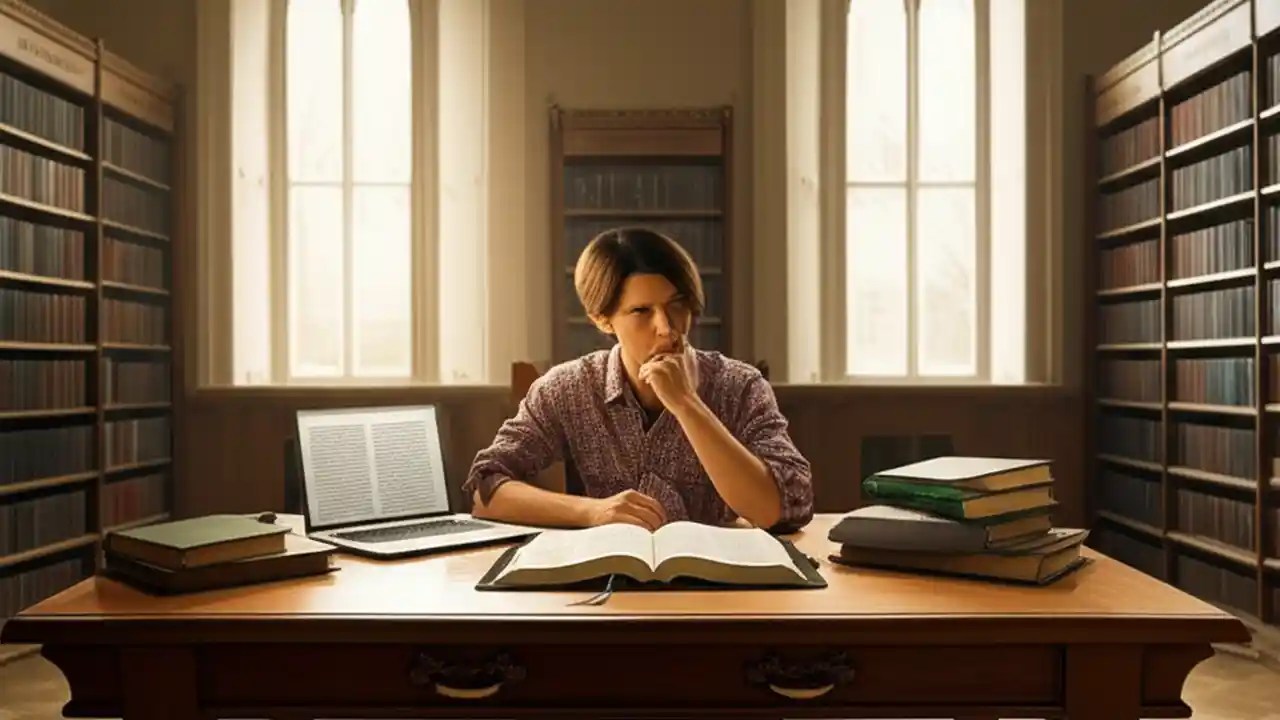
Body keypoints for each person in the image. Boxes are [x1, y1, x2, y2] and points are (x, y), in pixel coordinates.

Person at [464, 226, 814, 533]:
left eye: (677, 304)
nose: (666, 328)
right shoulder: (567, 389)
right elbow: (485, 489)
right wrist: (593, 512)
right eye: (641, 311)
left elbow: (786, 506)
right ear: (602, 319)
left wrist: (687, 404)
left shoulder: (740, 386)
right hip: (608, 591)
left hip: (719, 591)